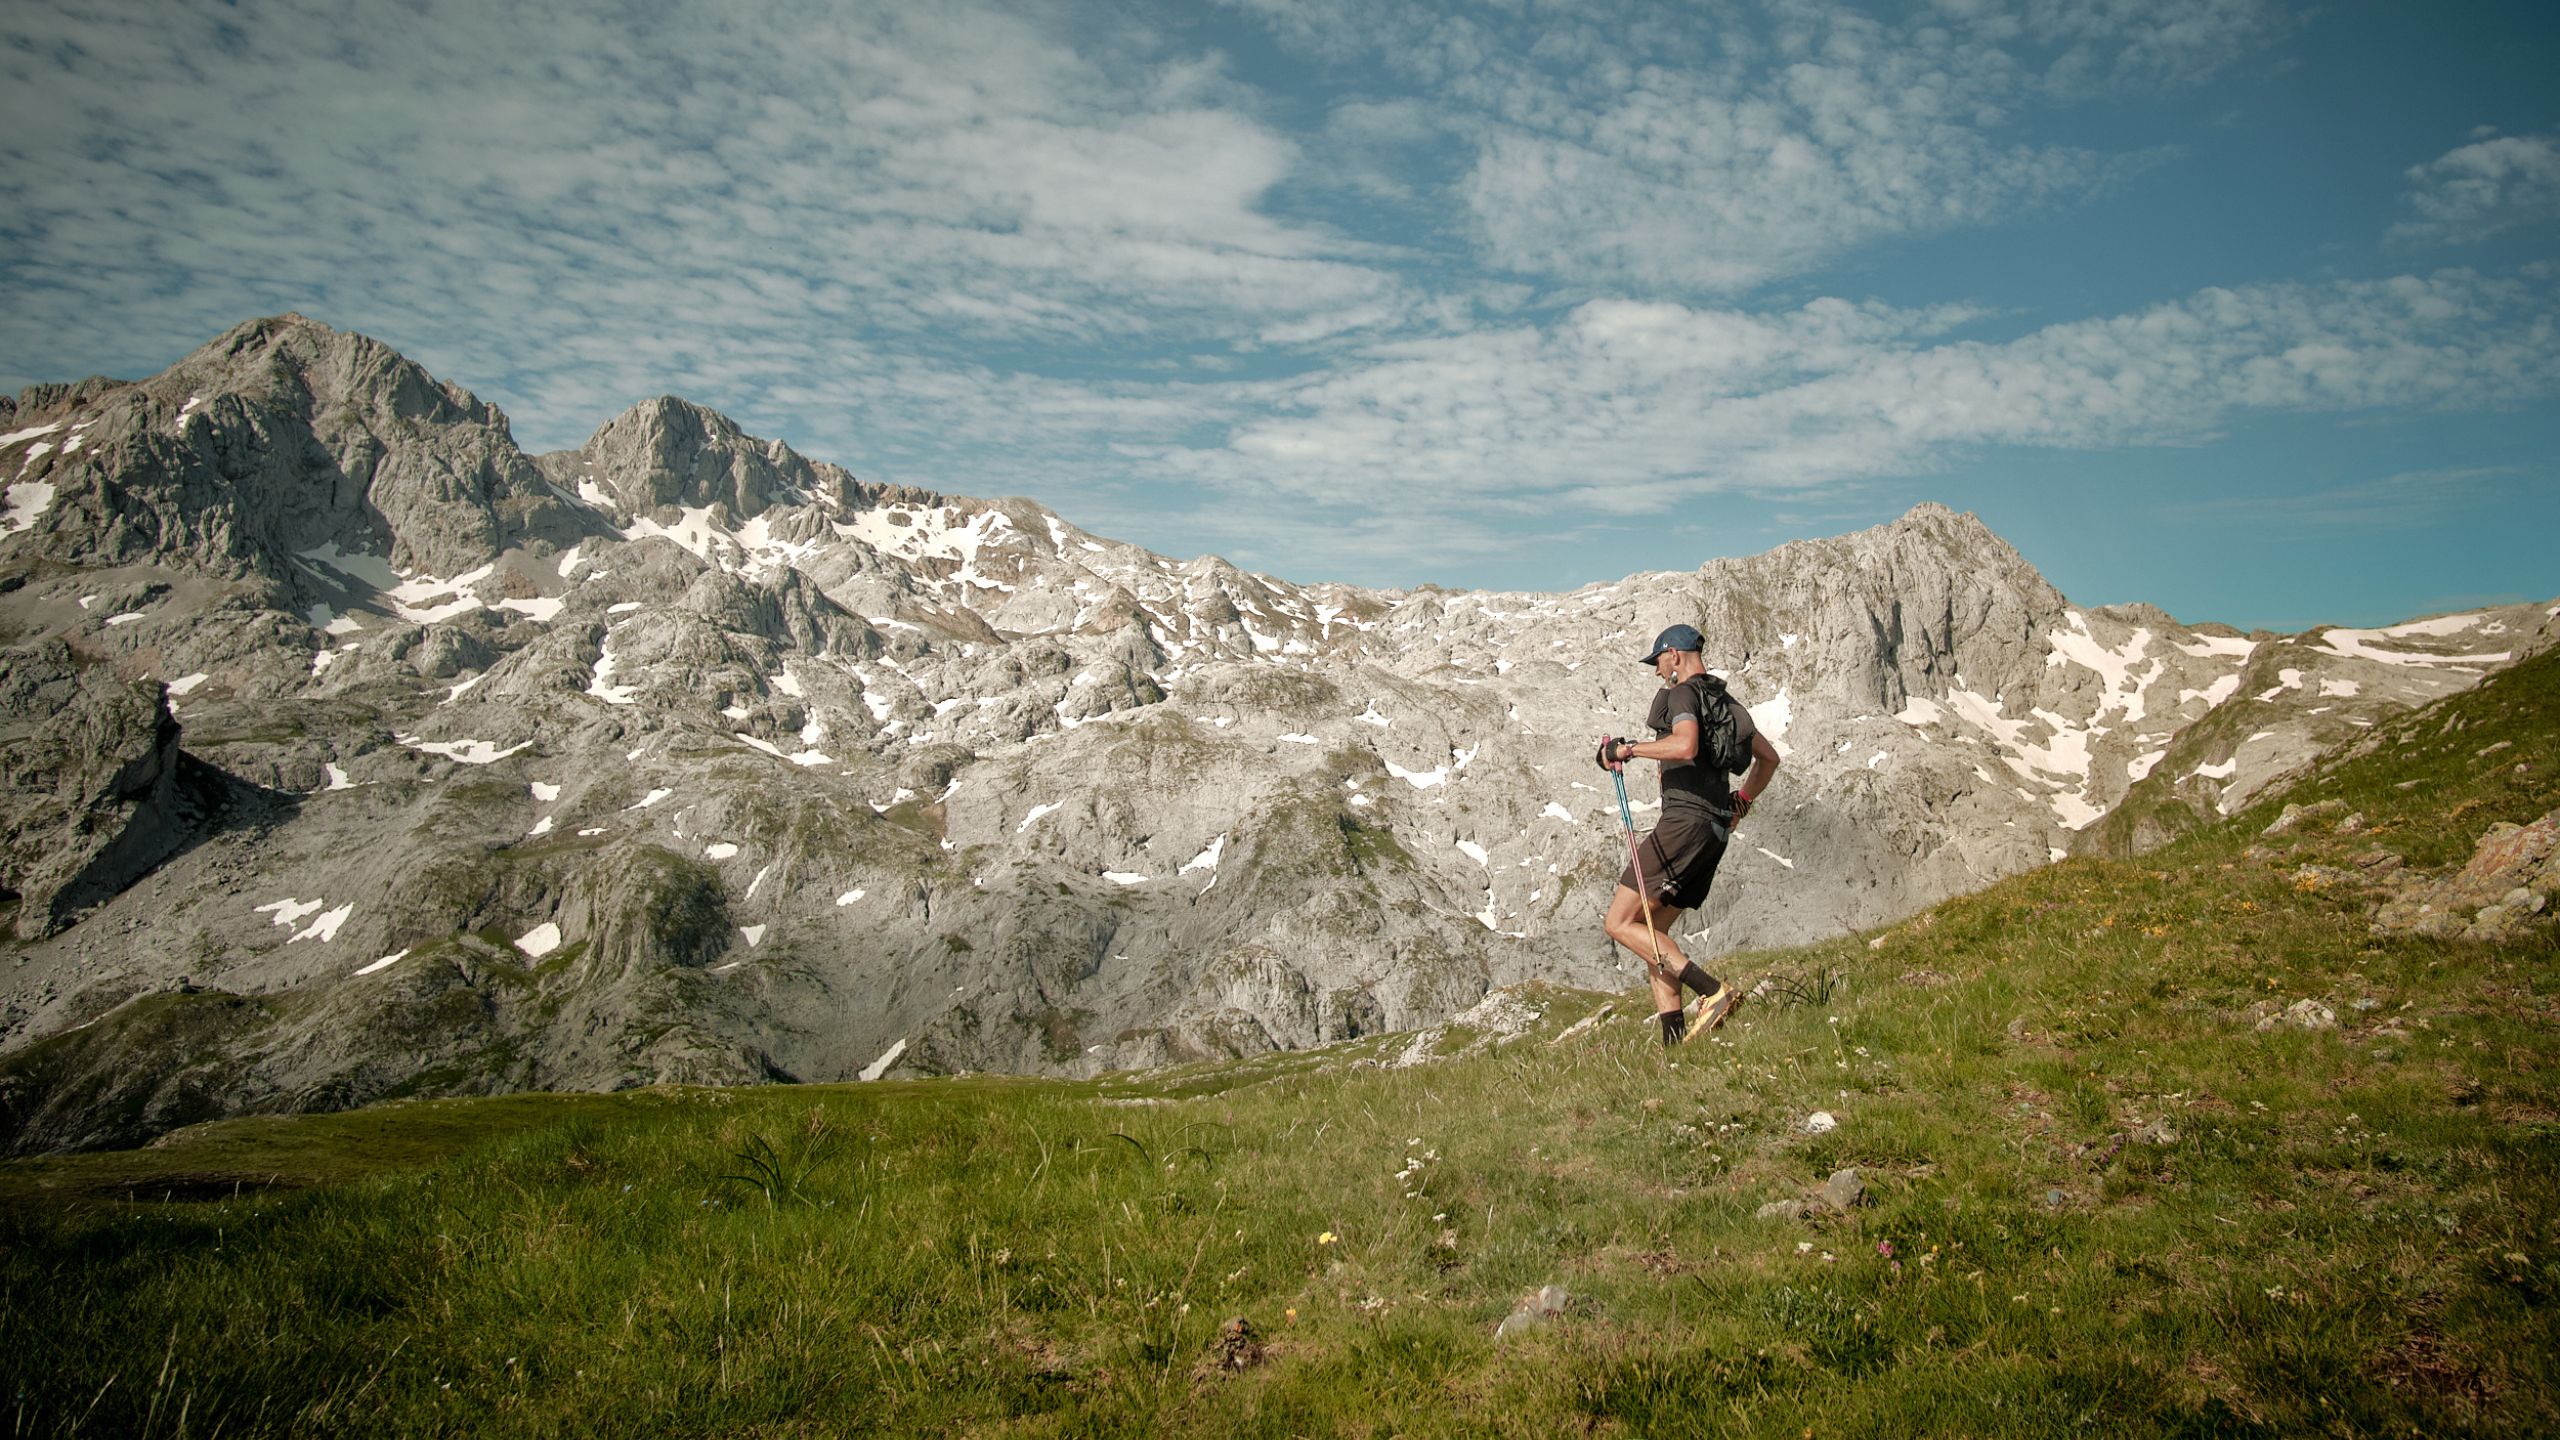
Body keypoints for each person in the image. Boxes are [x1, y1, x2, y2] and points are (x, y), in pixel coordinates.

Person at [1596, 623, 1781, 1046]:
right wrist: (1743, 801)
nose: (1658, 671)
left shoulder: (1682, 693)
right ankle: (1675, 1046)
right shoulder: (1729, 704)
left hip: (1682, 824)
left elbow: (1684, 746)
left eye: (1659, 661)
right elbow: (1768, 759)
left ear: (1674, 655)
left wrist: (1628, 750)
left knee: (1619, 922)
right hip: (1714, 830)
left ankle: (1713, 991)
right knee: (1650, 936)